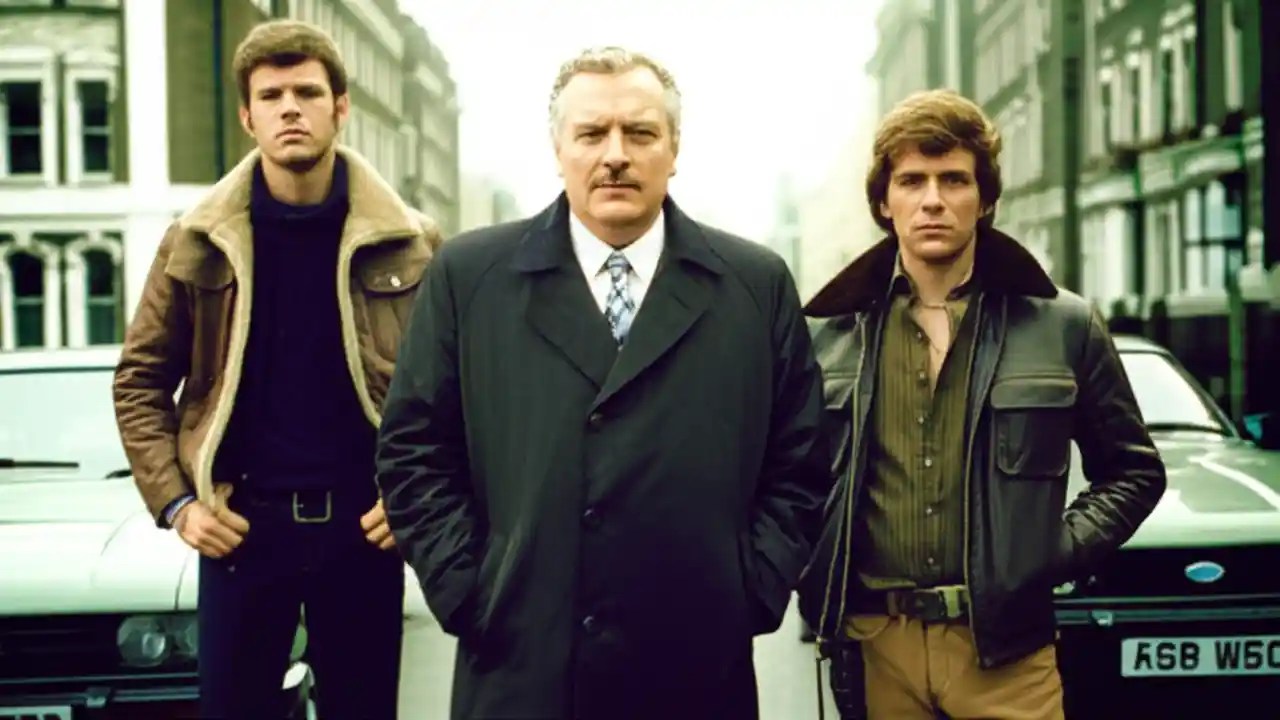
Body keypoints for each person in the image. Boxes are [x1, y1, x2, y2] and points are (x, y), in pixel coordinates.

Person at [375, 46, 831, 720]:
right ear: (558, 148)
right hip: (522, 665)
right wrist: (470, 590)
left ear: (674, 148)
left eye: (640, 132)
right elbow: (412, 451)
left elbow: (801, 460)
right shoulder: (471, 278)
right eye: (591, 133)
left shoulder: (753, 284)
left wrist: (751, 589)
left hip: (695, 664)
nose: (615, 153)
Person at [796, 89, 1167, 720]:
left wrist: (1048, 554)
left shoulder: (1064, 323)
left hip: (1008, 654)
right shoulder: (826, 335)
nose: (933, 199)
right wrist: (814, 578)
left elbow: (1134, 472)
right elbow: (786, 481)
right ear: (885, 202)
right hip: (875, 647)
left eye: (954, 180)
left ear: (985, 198)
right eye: (912, 180)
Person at [112, 19, 441, 720]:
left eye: (307, 91)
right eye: (271, 95)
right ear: (247, 115)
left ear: (339, 107)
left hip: (363, 527)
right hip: (241, 528)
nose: (290, 107)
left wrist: (417, 500)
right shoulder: (197, 241)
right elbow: (140, 380)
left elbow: (460, 392)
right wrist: (177, 504)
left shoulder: (412, 245)